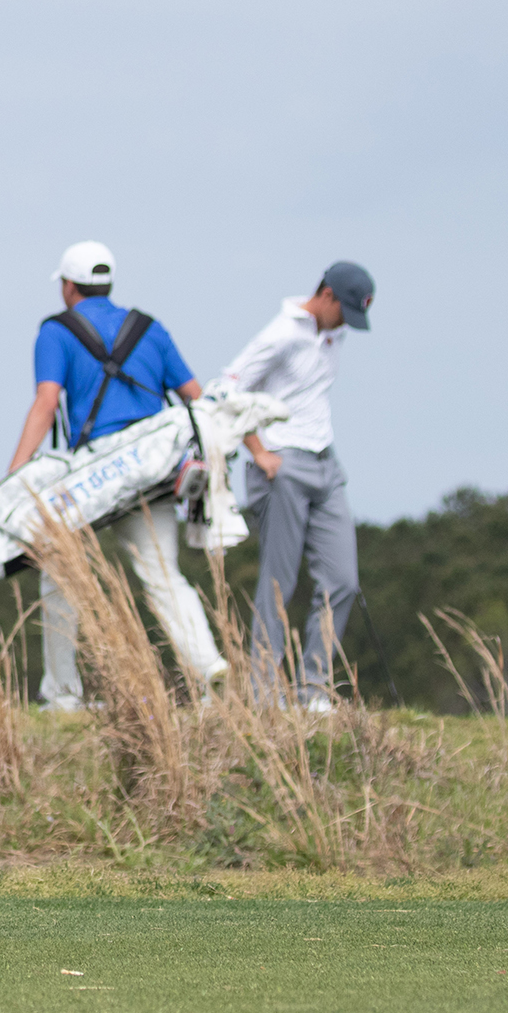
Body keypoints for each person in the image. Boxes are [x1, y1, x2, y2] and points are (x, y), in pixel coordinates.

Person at [0, 241, 227, 710]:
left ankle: (62, 694)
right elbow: (196, 396)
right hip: (151, 473)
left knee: (62, 579)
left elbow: (46, 402)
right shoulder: (149, 329)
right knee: (163, 578)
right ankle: (207, 671)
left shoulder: (55, 333)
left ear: (68, 286)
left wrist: (12, 478)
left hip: (90, 480)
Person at [220, 261, 375, 709]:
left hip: (327, 464)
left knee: (343, 579)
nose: (347, 321)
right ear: (326, 295)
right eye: (344, 309)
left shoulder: (333, 331)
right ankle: (265, 694)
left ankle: (315, 690)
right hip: (281, 466)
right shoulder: (281, 333)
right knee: (278, 582)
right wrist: (260, 452)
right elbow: (227, 388)